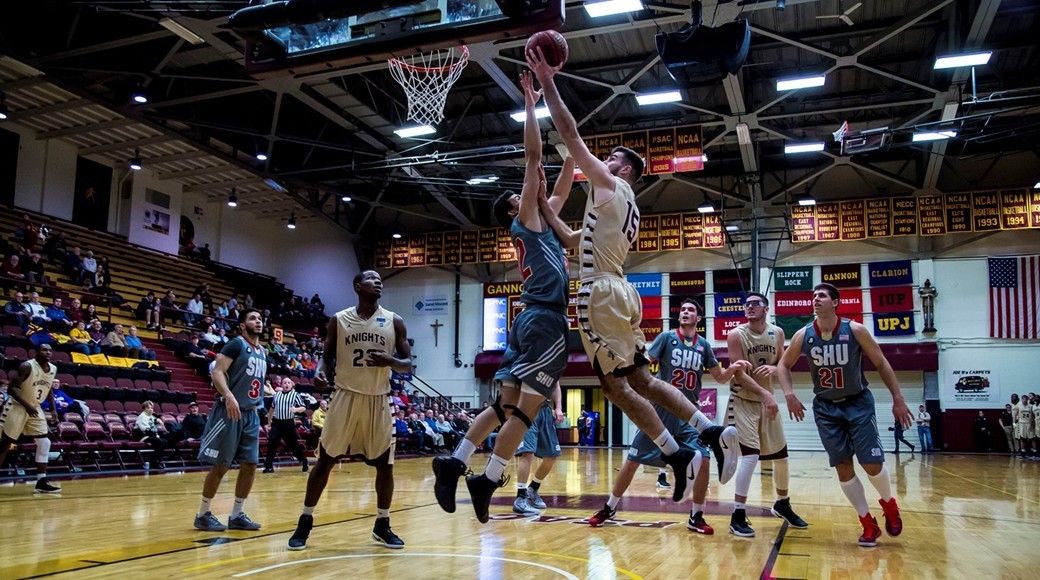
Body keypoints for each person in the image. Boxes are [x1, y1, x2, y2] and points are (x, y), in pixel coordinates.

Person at [526, 51, 738, 501]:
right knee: (643, 379)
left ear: (622, 170)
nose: (600, 160)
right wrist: (545, 202)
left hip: (600, 292)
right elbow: (569, 240)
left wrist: (546, 82)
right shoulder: (624, 206)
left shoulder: (610, 183)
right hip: (620, 287)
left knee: (613, 385)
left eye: (609, 158)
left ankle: (674, 451)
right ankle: (710, 430)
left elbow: (569, 132)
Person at [432, 71, 580, 524]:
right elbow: (532, 156)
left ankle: (455, 461)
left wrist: (574, 153)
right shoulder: (526, 221)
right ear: (515, 208)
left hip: (528, 318)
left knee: (502, 408)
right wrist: (532, 102)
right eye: (523, 195)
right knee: (526, 410)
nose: (531, 194)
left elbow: (560, 186)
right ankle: (488, 476)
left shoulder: (540, 226)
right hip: (544, 320)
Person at [589, 299, 753, 535]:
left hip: (689, 412)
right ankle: (609, 507)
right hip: (662, 409)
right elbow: (646, 367)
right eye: (683, 309)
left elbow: (720, 377)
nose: (685, 312)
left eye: (691, 310)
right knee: (633, 459)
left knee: (704, 459)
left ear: (699, 318)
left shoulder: (704, 345)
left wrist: (734, 367)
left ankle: (696, 516)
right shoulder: (666, 338)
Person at [777, 283, 912, 548]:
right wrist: (789, 394)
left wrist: (898, 398)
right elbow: (783, 364)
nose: (816, 299)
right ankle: (867, 522)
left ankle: (889, 503)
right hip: (826, 408)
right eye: (813, 296)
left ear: (835, 302)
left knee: (871, 463)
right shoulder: (804, 335)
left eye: (822, 296)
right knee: (843, 466)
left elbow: (882, 363)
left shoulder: (856, 330)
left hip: (858, 403)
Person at [288, 270, 412, 550]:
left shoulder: (394, 320)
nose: (378, 281)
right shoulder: (339, 319)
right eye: (371, 278)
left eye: (380, 279)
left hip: (379, 398)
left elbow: (407, 363)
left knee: (385, 464)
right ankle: (305, 520)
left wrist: (390, 360)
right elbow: (326, 356)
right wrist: (319, 374)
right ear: (357, 286)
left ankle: (382, 524)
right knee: (326, 460)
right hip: (344, 395)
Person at [726, 292, 808, 537]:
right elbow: (739, 373)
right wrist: (765, 394)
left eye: (755, 304)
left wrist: (775, 369)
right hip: (743, 401)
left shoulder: (778, 332)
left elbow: (783, 364)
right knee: (750, 457)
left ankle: (782, 503)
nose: (750, 307)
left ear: (766, 308)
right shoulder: (736, 334)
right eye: (747, 304)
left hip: (767, 401)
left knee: (781, 458)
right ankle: (737, 514)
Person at [192, 309, 268, 532]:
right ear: (243, 325)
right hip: (229, 412)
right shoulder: (236, 344)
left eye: (260, 318)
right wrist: (229, 396)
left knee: (251, 464)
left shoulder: (262, 351)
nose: (258, 321)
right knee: (221, 465)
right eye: (253, 318)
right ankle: (203, 513)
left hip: (251, 414)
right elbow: (217, 372)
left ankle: (237, 514)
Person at [0, 344, 61, 493]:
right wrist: (27, 405)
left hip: (35, 407)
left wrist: (53, 409)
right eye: (44, 350)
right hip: (17, 406)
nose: (48, 352)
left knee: (44, 442)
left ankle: (41, 480)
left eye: (50, 350)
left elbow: (49, 389)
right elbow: (11, 389)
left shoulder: (53, 368)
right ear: (36, 353)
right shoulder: (27, 366)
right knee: (5, 445)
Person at [512, 382, 565, 516]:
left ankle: (533, 489)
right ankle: (520, 497)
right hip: (527, 409)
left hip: (546, 410)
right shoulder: (525, 361)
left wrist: (558, 407)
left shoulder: (552, 363)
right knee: (528, 454)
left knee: (551, 457)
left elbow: (556, 384)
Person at [263, 377, 309, 473]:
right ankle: (269, 465)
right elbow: (272, 409)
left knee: (293, 445)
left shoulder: (295, 394)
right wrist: (269, 422)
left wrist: (296, 409)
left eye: (288, 382)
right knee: (272, 441)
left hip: (288, 423)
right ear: (281, 385)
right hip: (277, 422)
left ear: (291, 385)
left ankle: (304, 460)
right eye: (284, 383)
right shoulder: (277, 395)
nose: (286, 384)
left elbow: (303, 407)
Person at [134, 401, 169, 469]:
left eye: (151, 408)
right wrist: (156, 435)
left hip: (150, 436)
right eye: (148, 408)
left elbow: (154, 420)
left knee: (165, 441)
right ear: (144, 409)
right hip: (142, 436)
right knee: (159, 441)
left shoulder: (150, 416)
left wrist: (159, 420)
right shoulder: (142, 417)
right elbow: (145, 430)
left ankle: (156, 460)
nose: (150, 409)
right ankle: (154, 462)